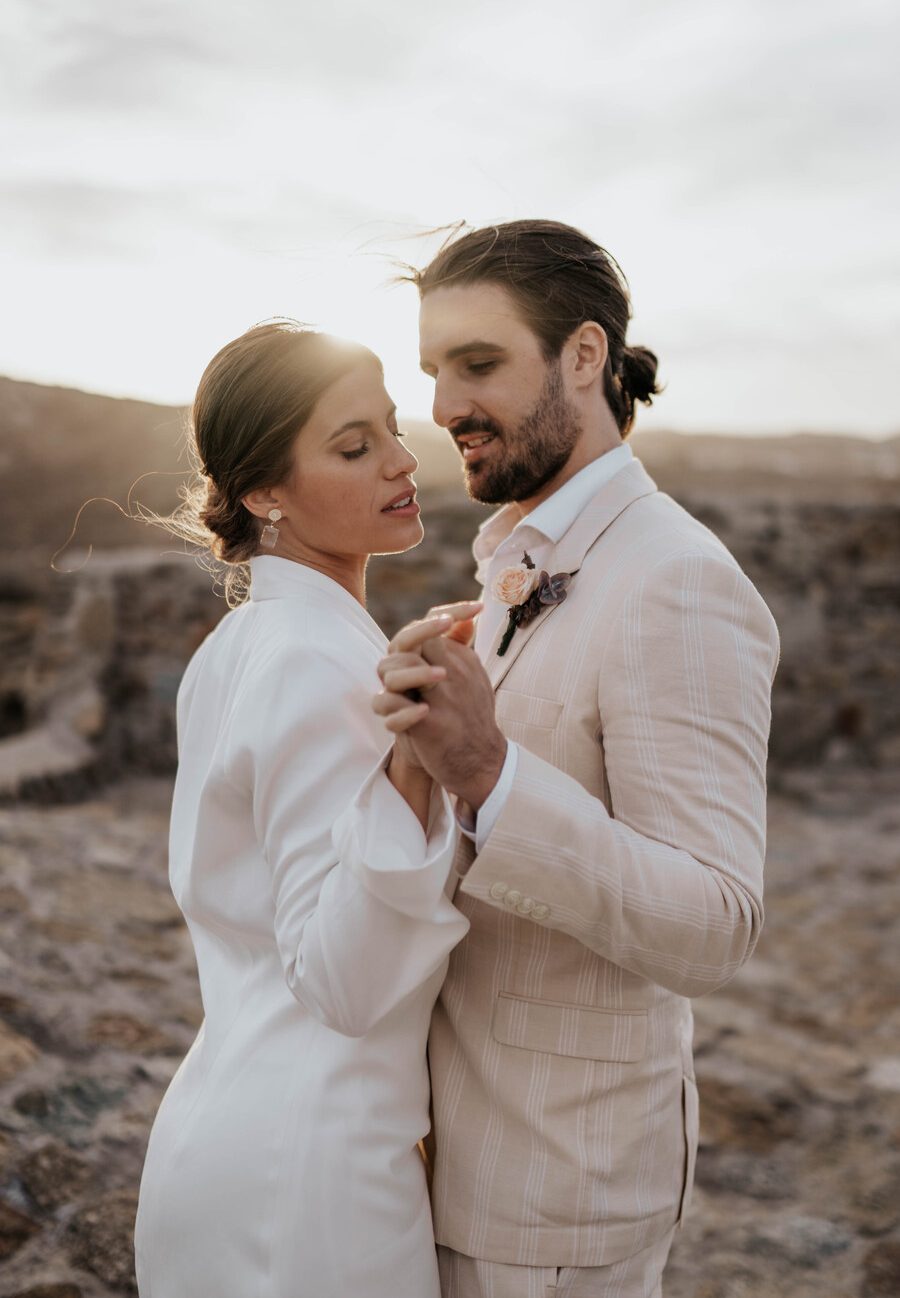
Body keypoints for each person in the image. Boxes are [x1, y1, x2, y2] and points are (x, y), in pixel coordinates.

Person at [374, 220, 781, 1298]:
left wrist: (490, 774)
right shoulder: (525, 561)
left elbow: (713, 921)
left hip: (554, 1203)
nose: (445, 405)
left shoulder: (677, 581)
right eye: (434, 372)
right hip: (451, 1164)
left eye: (479, 363)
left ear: (585, 357)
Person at [134, 320, 471, 1298]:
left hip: (228, 1135)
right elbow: (345, 979)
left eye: (392, 428)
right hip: (315, 1182)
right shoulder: (317, 661)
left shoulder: (237, 646)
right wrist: (418, 754)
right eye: (353, 446)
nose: (405, 461)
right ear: (262, 492)